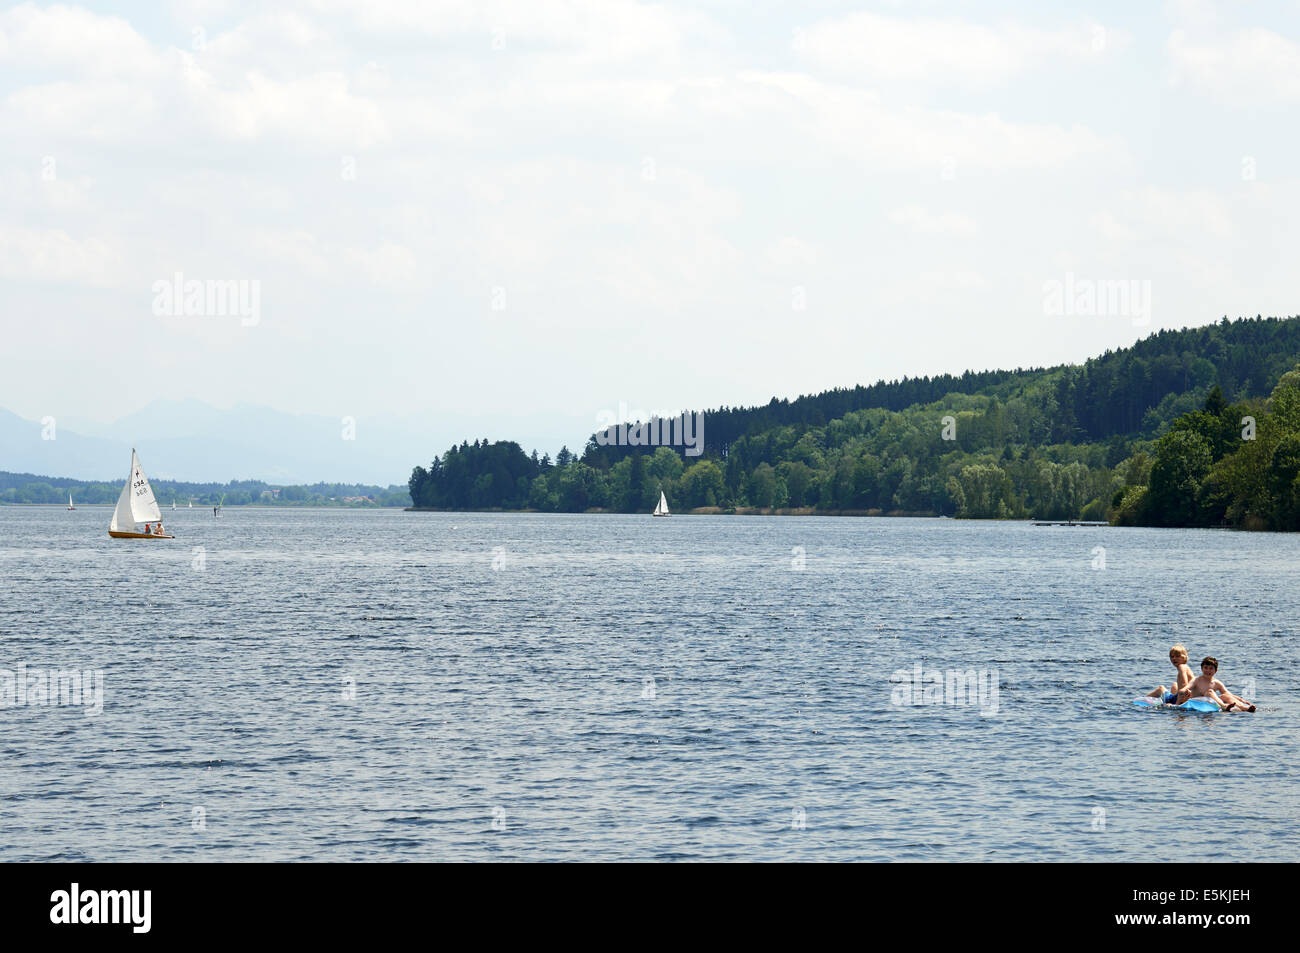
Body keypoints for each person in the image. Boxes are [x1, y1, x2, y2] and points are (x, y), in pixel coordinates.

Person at [1177, 656, 1255, 712]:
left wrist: (1242, 700)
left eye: (1211, 668)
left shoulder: (1217, 683)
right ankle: (1224, 706)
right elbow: (1184, 689)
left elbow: (1228, 694)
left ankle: (1244, 708)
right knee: (1210, 692)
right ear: (1202, 669)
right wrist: (1185, 691)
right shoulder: (1196, 680)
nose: (1208, 670)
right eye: (1206, 668)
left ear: (1216, 671)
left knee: (1225, 696)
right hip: (1197, 703)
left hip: (1211, 704)